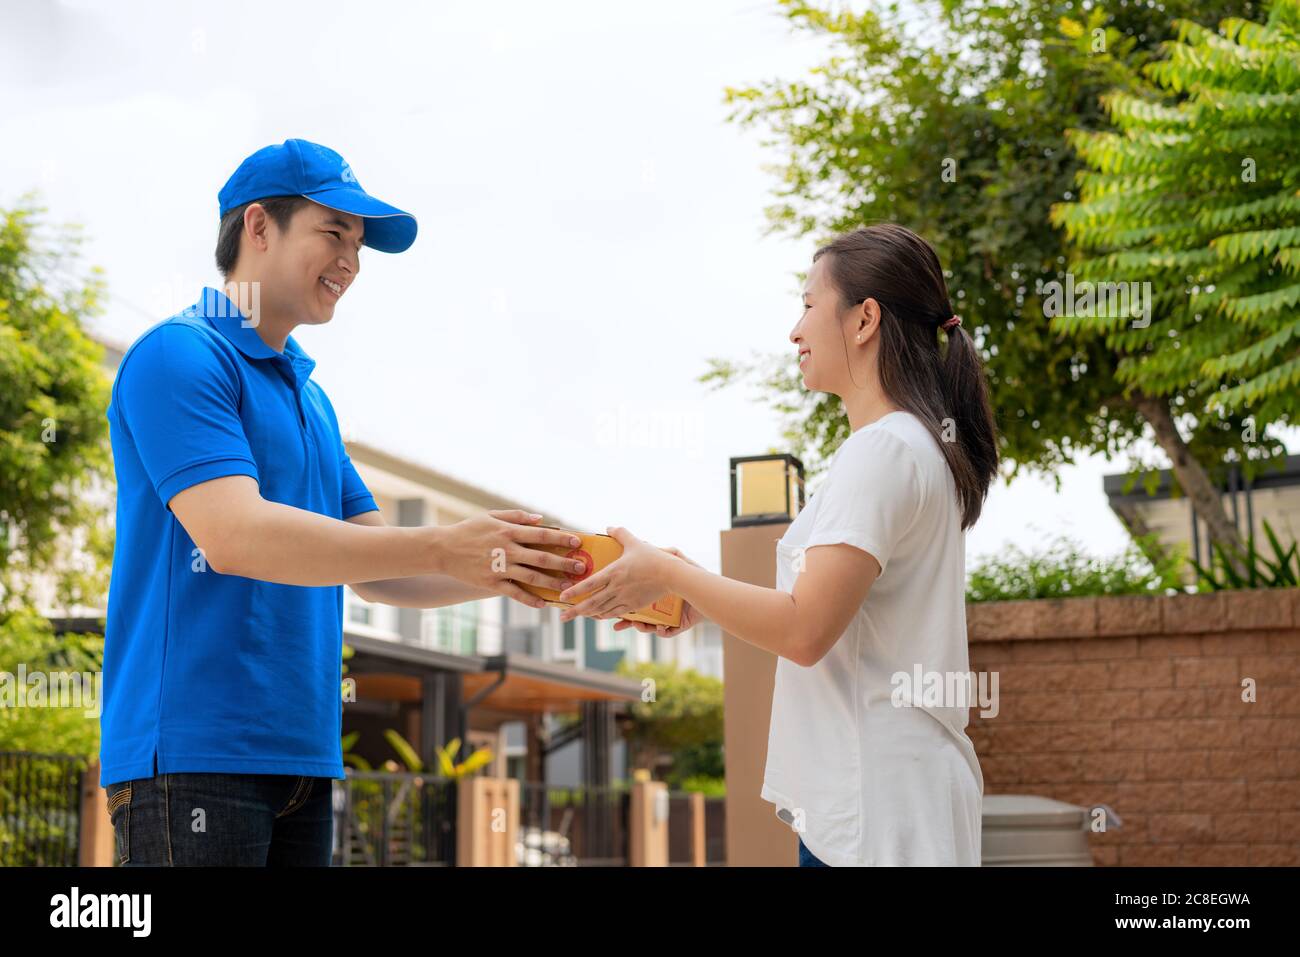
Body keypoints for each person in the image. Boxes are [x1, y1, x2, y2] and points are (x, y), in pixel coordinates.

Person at [99, 138, 583, 866]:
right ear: (258, 226)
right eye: (335, 233)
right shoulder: (180, 355)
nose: (352, 263)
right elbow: (231, 533)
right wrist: (442, 543)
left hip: (305, 758)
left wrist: (513, 567)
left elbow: (376, 570)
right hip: (194, 759)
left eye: (359, 244)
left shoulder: (311, 399)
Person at [557, 223, 999, 866]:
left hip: (872, 812)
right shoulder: (914, 446)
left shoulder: (880, 450)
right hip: (891, 801)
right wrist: (697, 593)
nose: (795, 330)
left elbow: (804, 631)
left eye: (809, 304)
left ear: (864, 319)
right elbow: (833, 616)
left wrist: (673, 577)